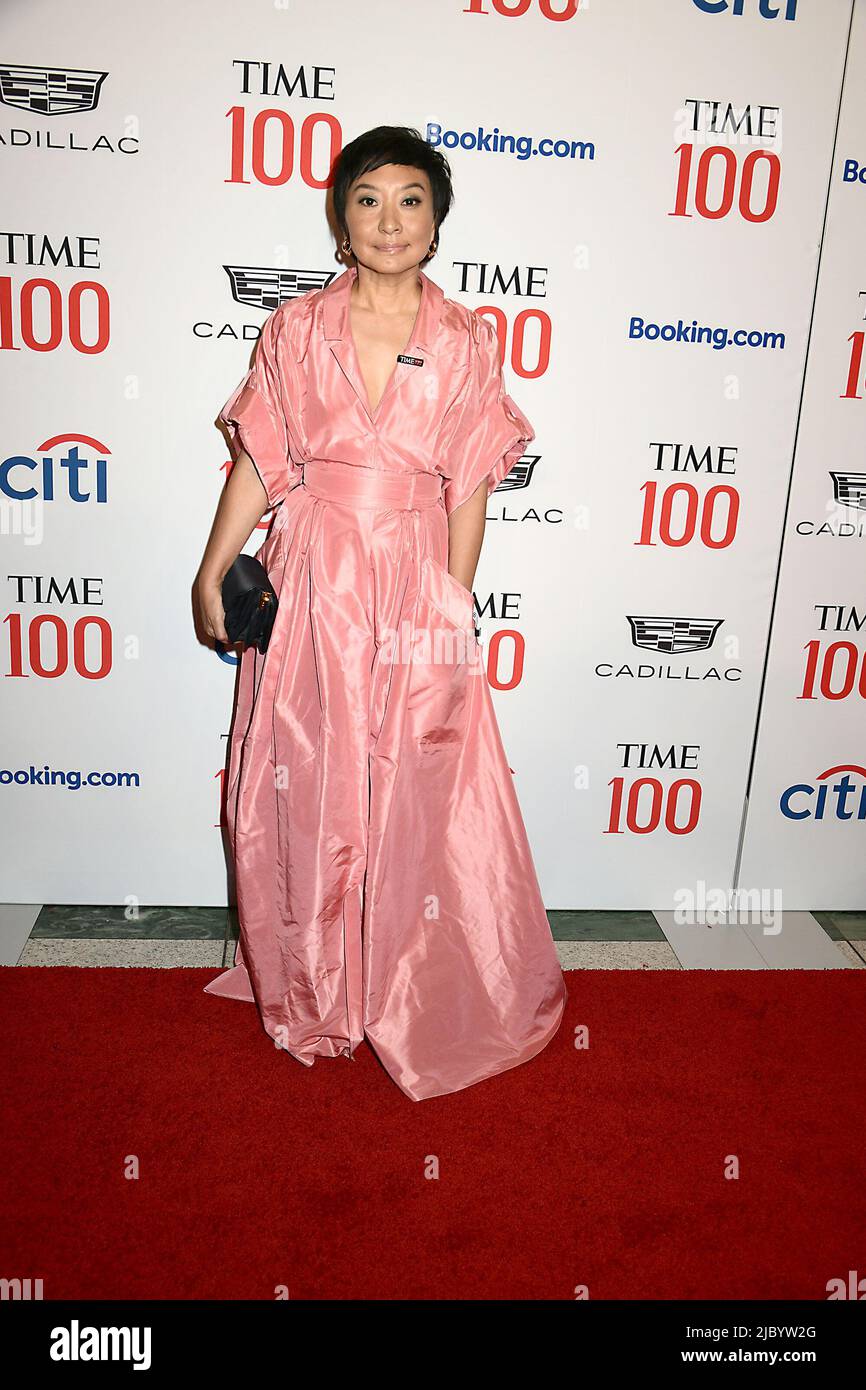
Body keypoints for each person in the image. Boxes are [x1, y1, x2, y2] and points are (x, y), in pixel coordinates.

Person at [193, 125, 567, 1102]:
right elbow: (257, 461)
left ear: (436, 218)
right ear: (339, 215)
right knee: (305, 780)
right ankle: (313, 993)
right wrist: (215, 567)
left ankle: (401, 986)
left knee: (410, 787)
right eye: (367, 198)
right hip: (309, 573)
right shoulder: (292, 330)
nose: (388, 218)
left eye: (409, 198)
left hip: (407, 574)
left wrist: (451, 599)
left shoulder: (462, 337)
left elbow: (469, 485)